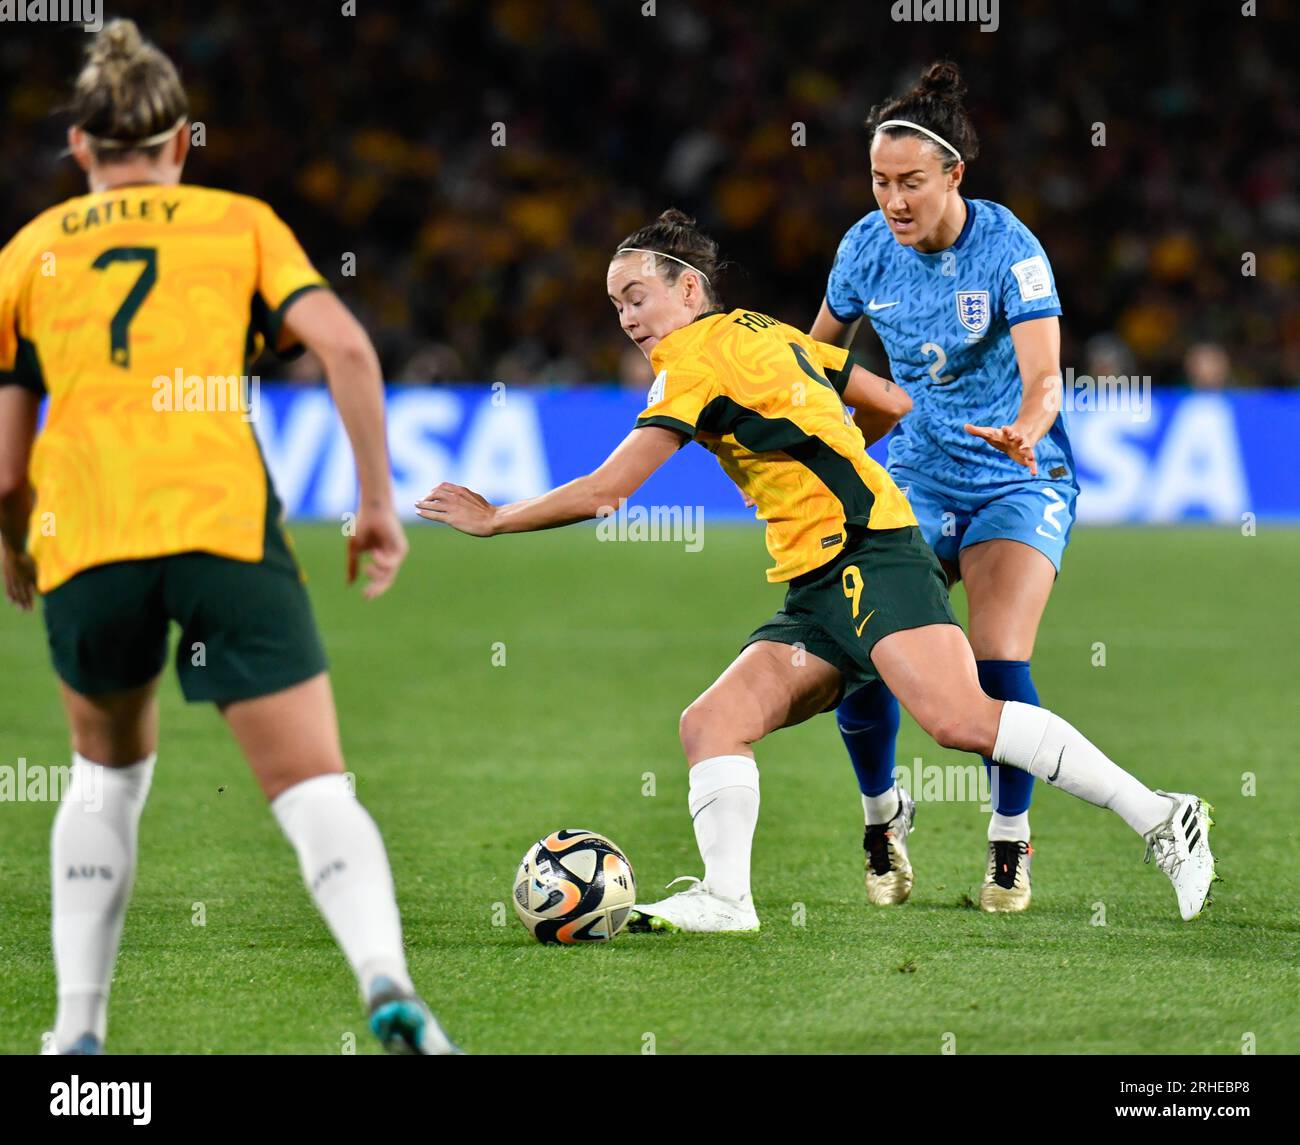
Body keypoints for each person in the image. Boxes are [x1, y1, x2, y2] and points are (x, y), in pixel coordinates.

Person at [416, 208, 1216, 932]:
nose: (625, 318)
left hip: (871, 553)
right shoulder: (772, 333)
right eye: (615, 305)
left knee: (961, 718)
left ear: (688, 289)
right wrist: (827, 459)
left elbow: (607, 491)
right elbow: (893, 405)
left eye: (636, 297)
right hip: (820, 576)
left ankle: (1162, 816)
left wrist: (494, 518)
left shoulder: (690, 364)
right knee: (711, 723)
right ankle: (728, 898)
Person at [0, 20, 454, 1054]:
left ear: (81, 146)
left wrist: (18, 541)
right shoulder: (237, 222)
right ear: (180, 142)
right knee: (311, 784)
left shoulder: (28, 254)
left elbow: (9, 466)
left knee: (105, 779)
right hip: (220, 524)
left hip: (90, 533)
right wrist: (375, 500)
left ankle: (76, 1034)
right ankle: (391, 986)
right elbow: (342, 342)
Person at [811, 61, 1078, 911]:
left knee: (997, 663)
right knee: (864, 657)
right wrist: (818, 440)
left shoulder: (1010, 250)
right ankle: (882, 814)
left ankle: (1008, 844)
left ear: (955, 175)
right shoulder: (862, 248)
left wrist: (1027, 430)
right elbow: (818, 362)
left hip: (1015, 477)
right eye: (881, 182)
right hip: (915, 475)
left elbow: (1045, 379)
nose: (893, 200)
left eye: (911, 184)